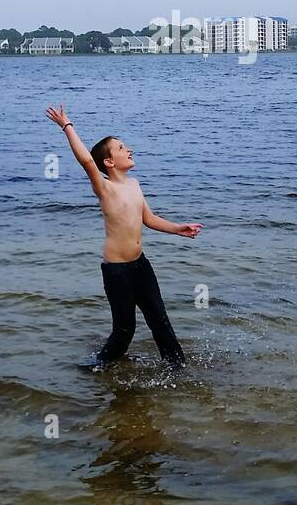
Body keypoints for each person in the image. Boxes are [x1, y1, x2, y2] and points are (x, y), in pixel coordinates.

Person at [46, 104, 201, 369]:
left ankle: (178, 370)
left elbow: (148, 219)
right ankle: (95, 368)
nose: (128, 150)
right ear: (108, 162)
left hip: (141, 265)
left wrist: (177, 228)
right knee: (124, 331)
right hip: (117, 271)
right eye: (121, 148)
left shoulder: (134, 185)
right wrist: (67, 126)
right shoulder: (104, 188)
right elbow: (86, 160)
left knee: (160, 320)